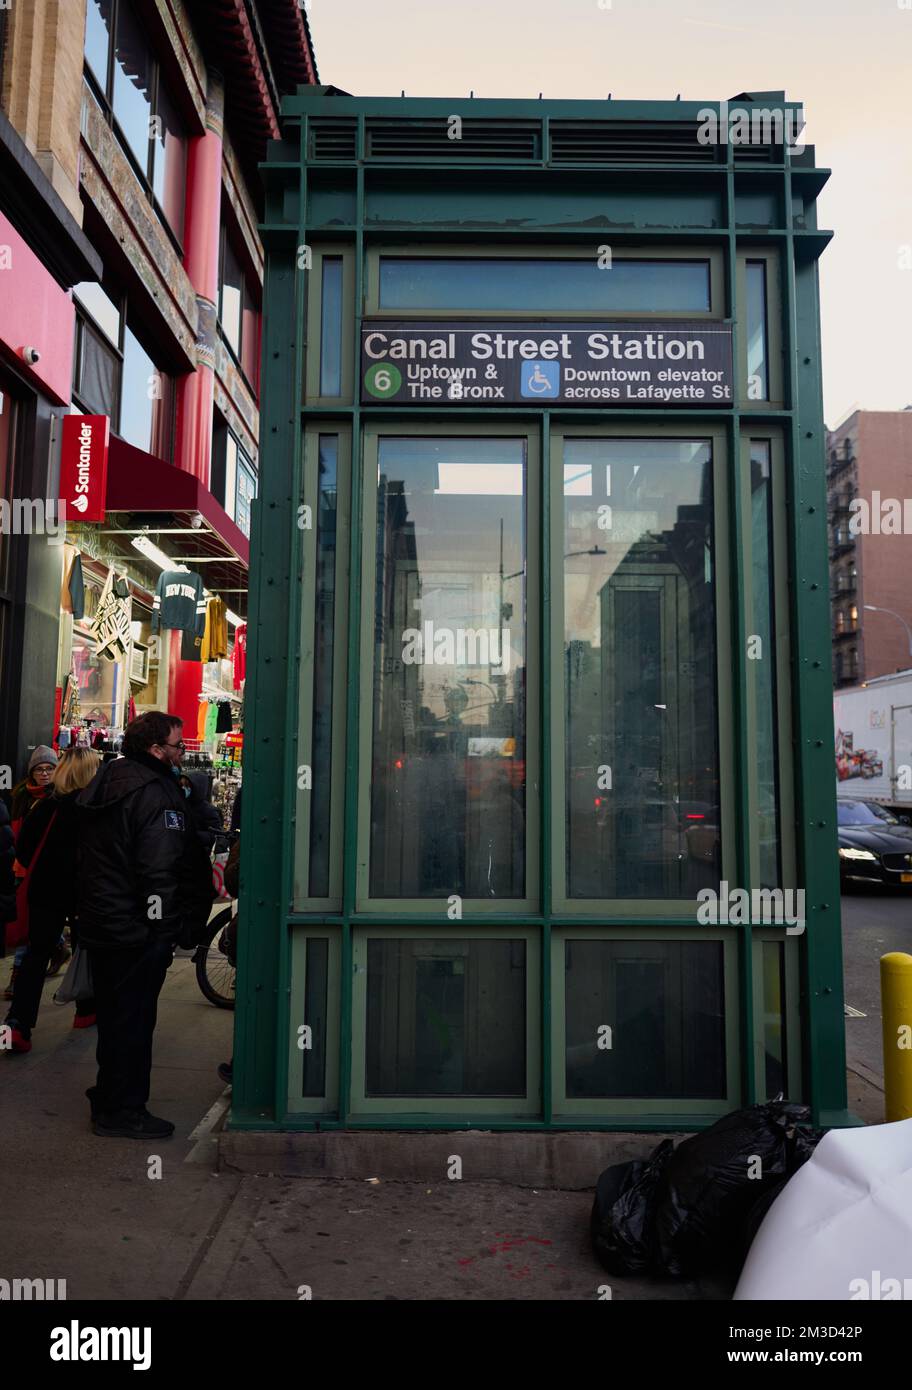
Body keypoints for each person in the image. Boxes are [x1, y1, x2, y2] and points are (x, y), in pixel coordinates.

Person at [76, 711, 212, 1139]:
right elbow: (159, 869)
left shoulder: (109, 780)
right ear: (156, 749)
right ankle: (124, 1110)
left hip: (105, 923)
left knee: (117, 1019)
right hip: (136, 930)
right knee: (134, 1021)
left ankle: (109, 1097)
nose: (181, 751)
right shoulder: (155, 794)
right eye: (177, 745)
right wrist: (164, 929)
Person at [3, 747, 101, 1053]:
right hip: (86, 892)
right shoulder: (96, 809)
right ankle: (86, 1011)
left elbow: (25, 849)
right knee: (89, 949)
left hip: (46, 891)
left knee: (36, 955)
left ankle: (17, 1026)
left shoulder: (46, 806)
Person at [4, 745, 67, 999]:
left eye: (49, 768)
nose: (43, 774)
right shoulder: (21, 796)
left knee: (31, 924)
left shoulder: (59, 798)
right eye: (39, 769)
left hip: (43, 870)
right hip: (19, 865)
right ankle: (60, 946)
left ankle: (17, 977)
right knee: (28, 921)